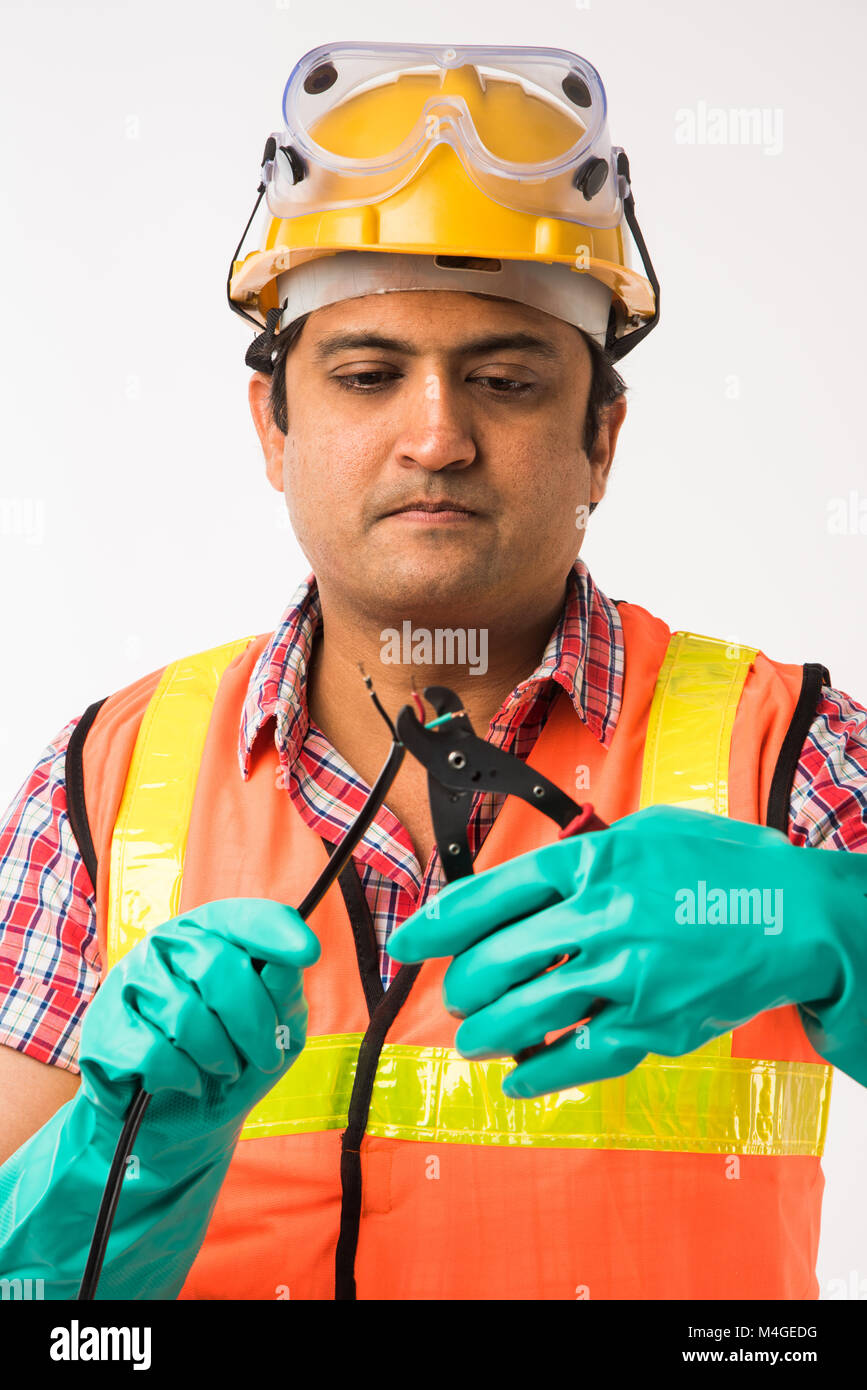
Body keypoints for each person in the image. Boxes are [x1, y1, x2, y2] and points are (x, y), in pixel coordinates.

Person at [0, 41, 865, 1302]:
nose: (438, 436)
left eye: (506, 382)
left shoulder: (786, 746)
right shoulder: (103, 779)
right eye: (366, 374)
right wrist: (123, 1161)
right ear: (273, 427)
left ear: (601, 438)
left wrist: (833, 925)